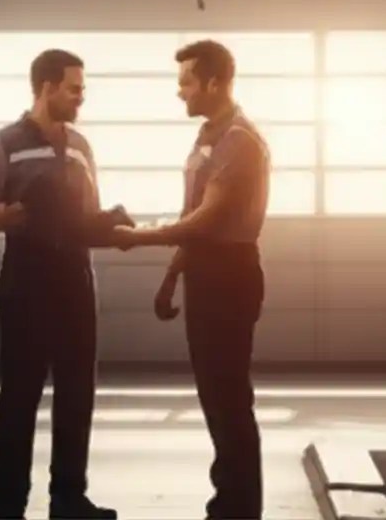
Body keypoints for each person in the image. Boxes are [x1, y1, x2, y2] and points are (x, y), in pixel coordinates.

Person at [112, 39, 271, 520]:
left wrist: (138, 238)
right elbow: (194, 215)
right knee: (215, 397)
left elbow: (207, 219)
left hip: (229, 276)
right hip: (205, 273)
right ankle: (228, 501)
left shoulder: (239, 140)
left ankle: (239, 509)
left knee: (228, 398)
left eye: (186, 81)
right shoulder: (208, 135)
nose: (180, 91)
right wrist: (171, 276)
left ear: (215, 82)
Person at [0, 49, 129, 520]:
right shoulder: (2, 144)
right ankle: (9, 504)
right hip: (26, 280)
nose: (82, 97)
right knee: (21, 393)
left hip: (77, 278)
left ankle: (68, 499)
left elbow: (87, 214)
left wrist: (111, 225)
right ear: (46, 88)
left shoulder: (81, 145)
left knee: (79, 391)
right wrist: (21, 214)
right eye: (74, 88)